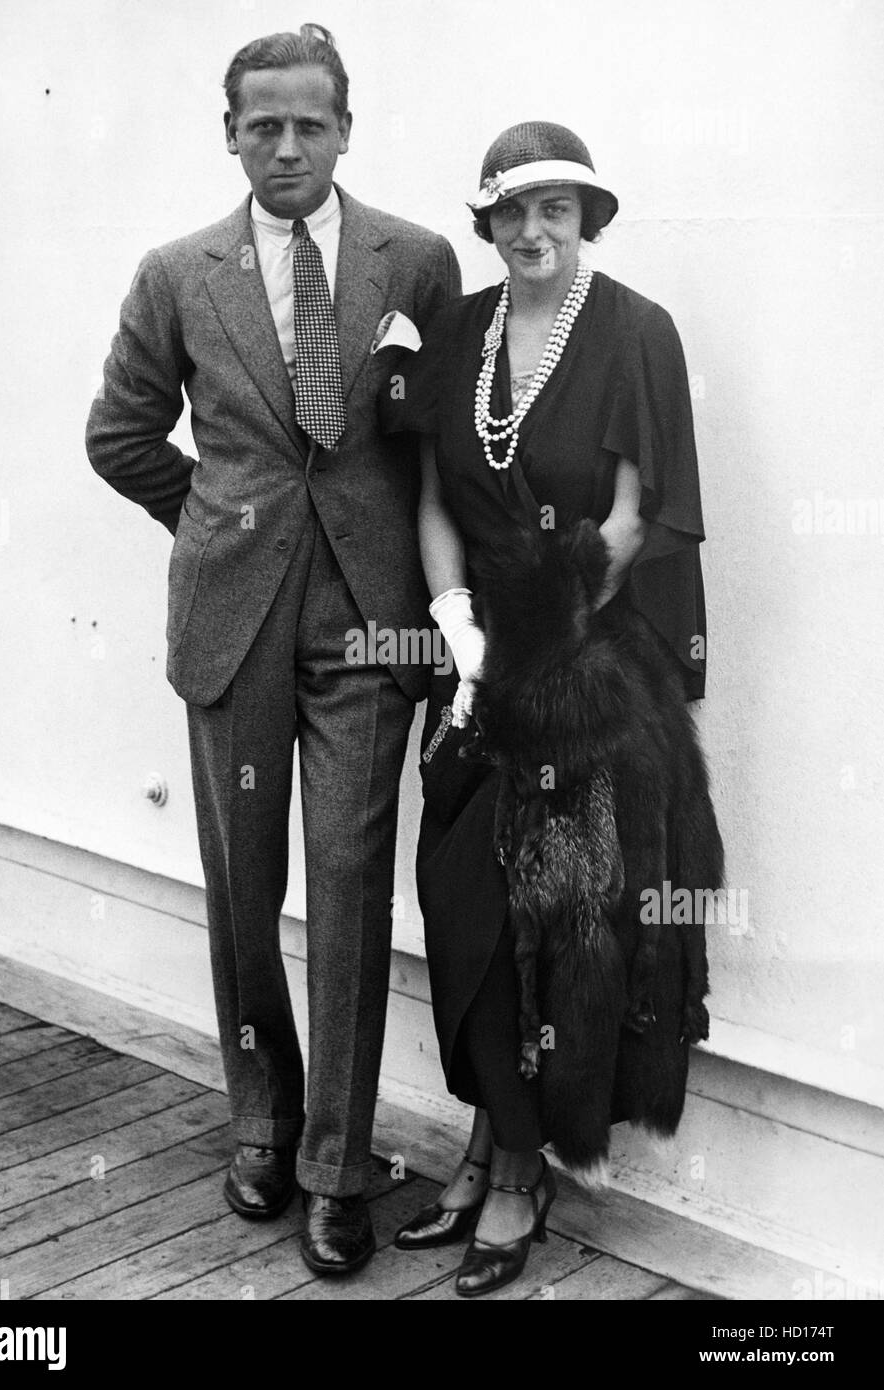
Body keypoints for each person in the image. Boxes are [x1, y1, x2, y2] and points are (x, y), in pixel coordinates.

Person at [85, 24, 460, 1278]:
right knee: (245, 887)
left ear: (346, 128)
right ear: (230, 132)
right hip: (233, 621)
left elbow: (441, 445)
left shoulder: (418, 263)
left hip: (371, 618)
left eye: (310, 123)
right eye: (263, 125)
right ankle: (263, 1118)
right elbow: (120, 434)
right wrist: (213, 516)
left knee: (351, 890)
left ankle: (339, 1171)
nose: (286, 145)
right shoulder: (177, 273)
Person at [381, 121, 712, 1297]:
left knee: (550, 931)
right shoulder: (462, 330)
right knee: (464, 906)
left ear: (587, 218)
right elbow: (431, 493)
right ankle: (483, 1143)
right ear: (487, 221)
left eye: (556, 212)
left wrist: (533, 634)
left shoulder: (635, 331)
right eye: (511, 213)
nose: (532, 233)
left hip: (586, 674)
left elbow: (631, 520)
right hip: (475, 669)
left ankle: (520, 1171)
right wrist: (455, 614)